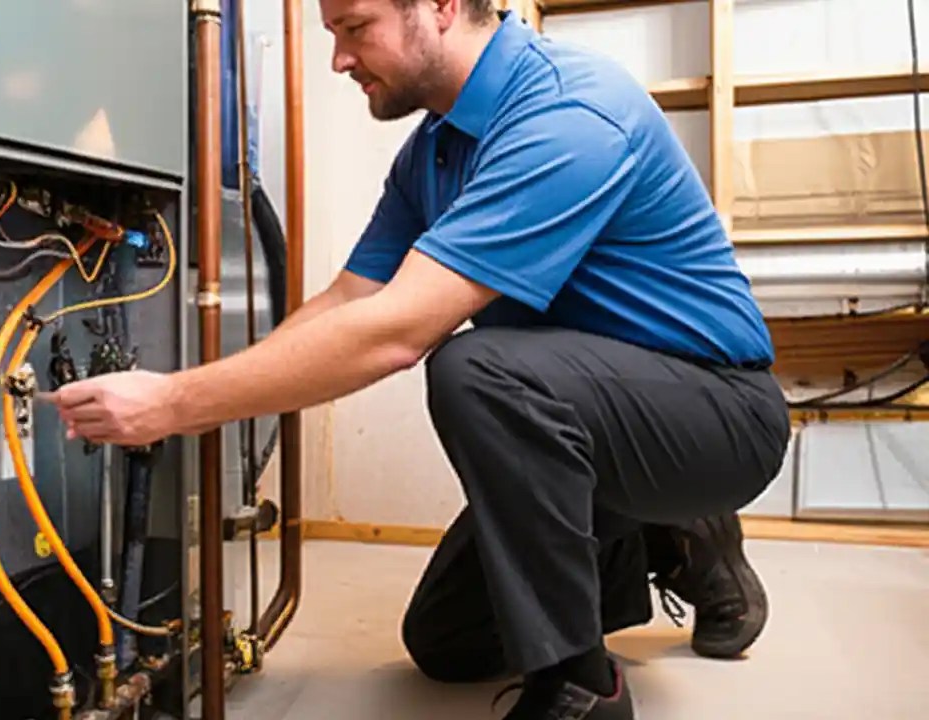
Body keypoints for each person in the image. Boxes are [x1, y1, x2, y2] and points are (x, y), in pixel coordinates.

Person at [51, 1, 791, 718]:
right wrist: (195, 390)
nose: (339, 58)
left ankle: (589, 677)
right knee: (446, 643)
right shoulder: (432, 152)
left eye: (354, 28)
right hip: (594, 420)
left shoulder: (569, 113)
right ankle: (646, 530)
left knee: (479, 368)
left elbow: (397, 333)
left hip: (718, 411)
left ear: (439, 6)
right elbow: (349, 301)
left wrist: (174, 404)